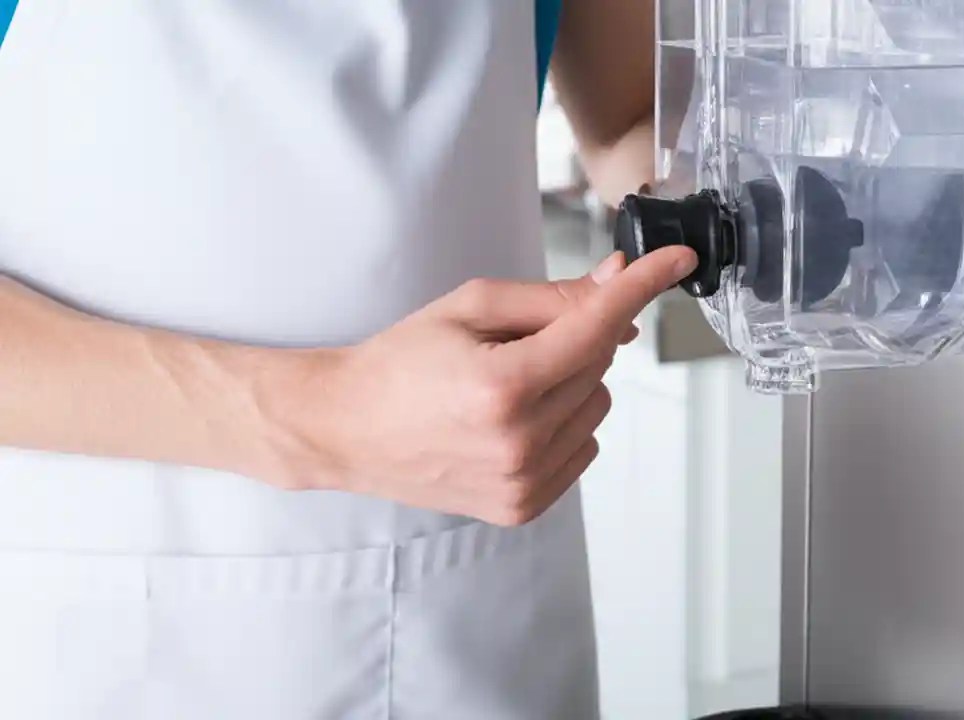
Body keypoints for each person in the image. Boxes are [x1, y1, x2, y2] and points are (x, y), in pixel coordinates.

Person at [0, 1, 694, 718]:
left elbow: (630, 122)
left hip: (479, 625)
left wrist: (732, 188)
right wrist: (323, 416)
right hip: (107, 638)